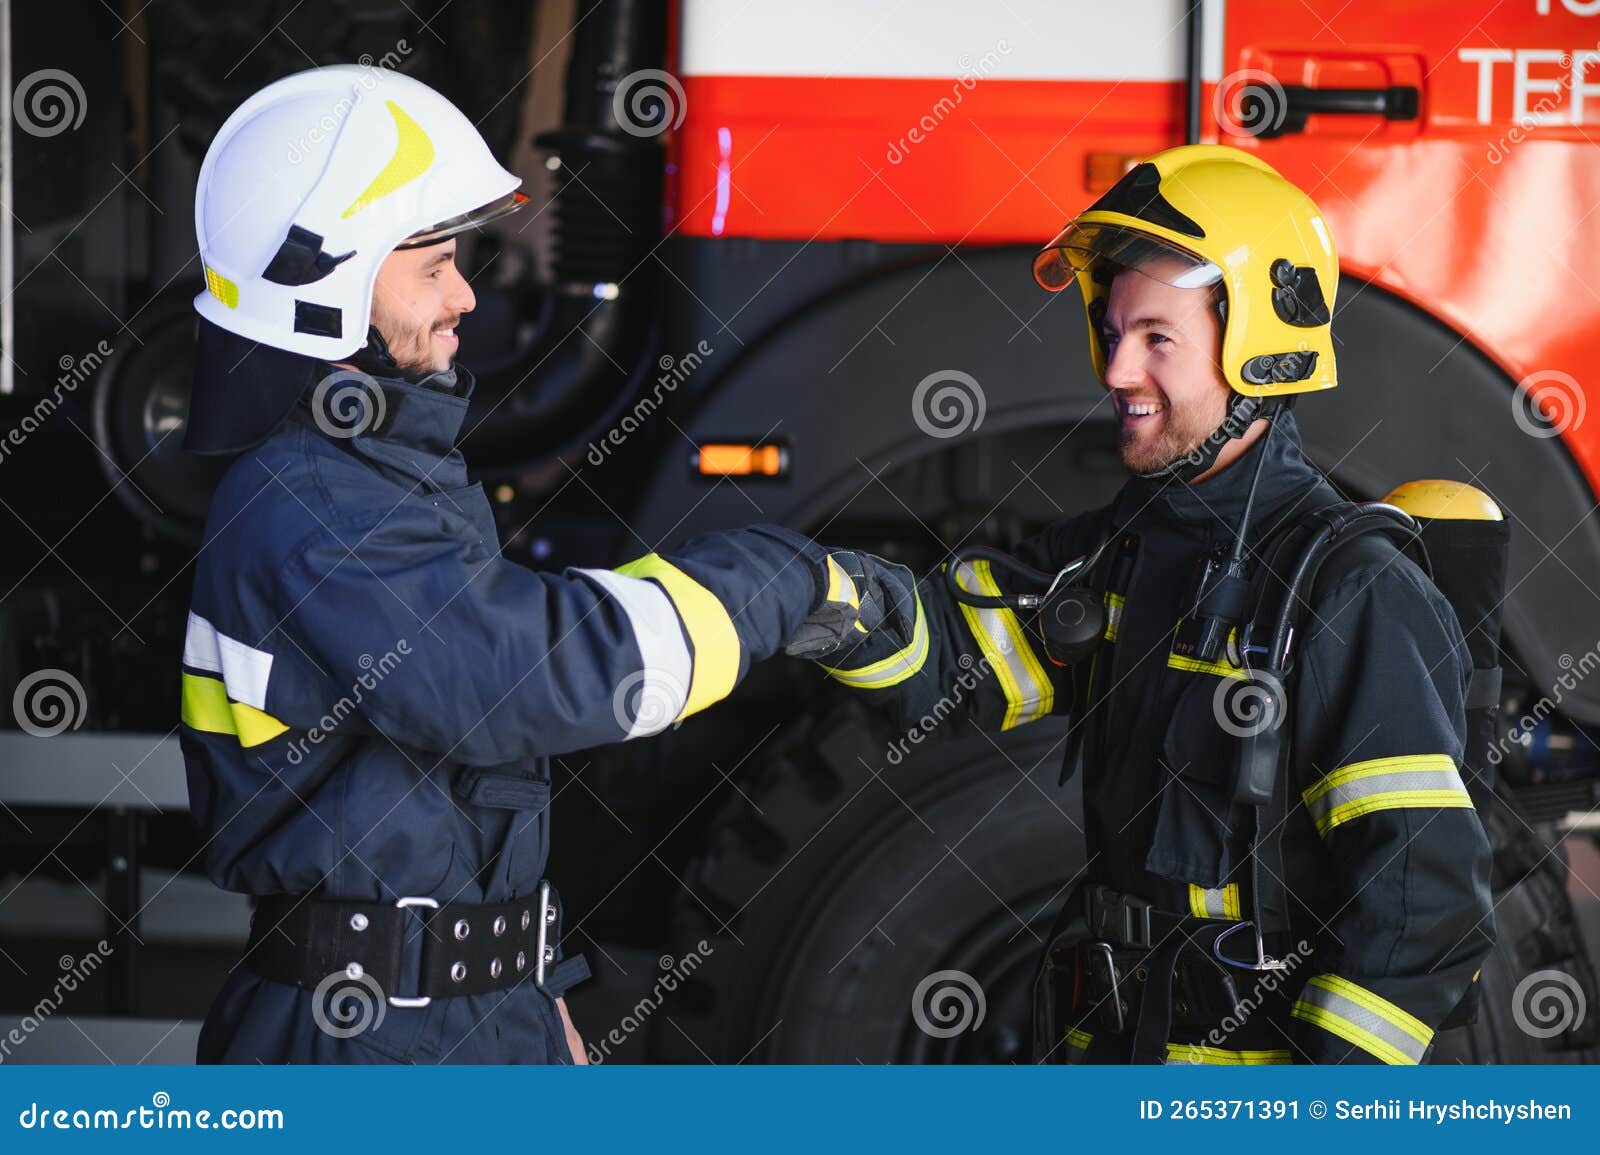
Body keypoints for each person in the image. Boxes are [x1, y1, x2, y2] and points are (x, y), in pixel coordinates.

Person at [180, 65, 878, 1064]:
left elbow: (458, 791)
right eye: (431, 266)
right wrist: (784, 586)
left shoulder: (385, 478)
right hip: (365, 1044)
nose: (464, 294)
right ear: (316, 282)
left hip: (461, 1017)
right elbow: (527, 682)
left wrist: (527, 985)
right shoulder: (313, 502)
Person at [789, 145, 1496, 1064]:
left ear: (1260, 348)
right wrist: (801, 593)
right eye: (1112, 330)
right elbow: (954, 659)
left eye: (1157, 338)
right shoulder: (1124, 552)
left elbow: (1424, 910)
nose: (1117, 369)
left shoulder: (1350, 591)